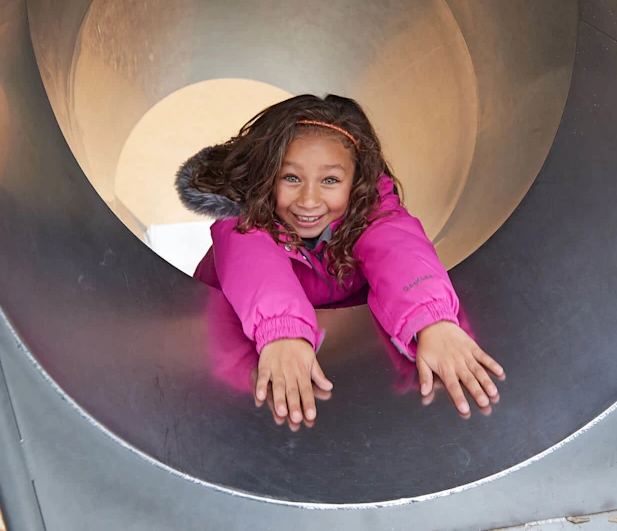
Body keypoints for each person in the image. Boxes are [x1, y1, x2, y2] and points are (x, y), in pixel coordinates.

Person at [176, 93, 504, 426]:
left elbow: (398, 249)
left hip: (340, 354)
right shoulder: (243, 220)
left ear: (357, 181)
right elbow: (255, 264)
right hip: (241, 340)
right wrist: (283, 332)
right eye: (291, 178)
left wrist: (433, 320)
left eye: (330, 180)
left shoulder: (369, 210)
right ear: (264, 175)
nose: (309, 200)